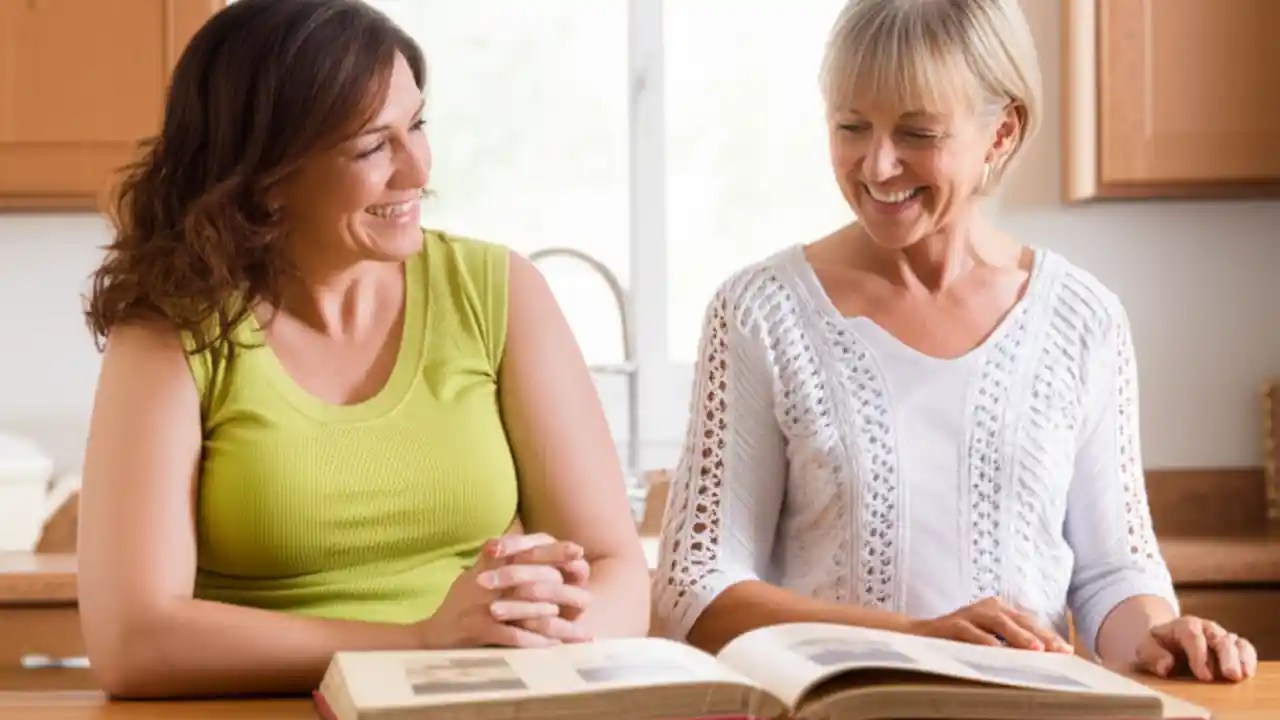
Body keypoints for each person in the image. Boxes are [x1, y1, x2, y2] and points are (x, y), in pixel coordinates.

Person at [652, 0, 1257, 684]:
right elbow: (692, 593)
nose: (878, 165)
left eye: (917, 133)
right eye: (852, 126)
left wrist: (1158, 636)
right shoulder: (761, 312)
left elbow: (1113, 572)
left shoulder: (1083, 319)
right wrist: (915, 640)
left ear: (1002, 132)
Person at [78, 0, 649, 699]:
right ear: (265, 176)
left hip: (484, 701)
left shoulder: (498, 291)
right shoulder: (173, 329)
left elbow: (613, 564)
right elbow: (132, 641)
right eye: (373, 146)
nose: (418, 170)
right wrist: (418, 644)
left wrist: (546, 630)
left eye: (417, 126)